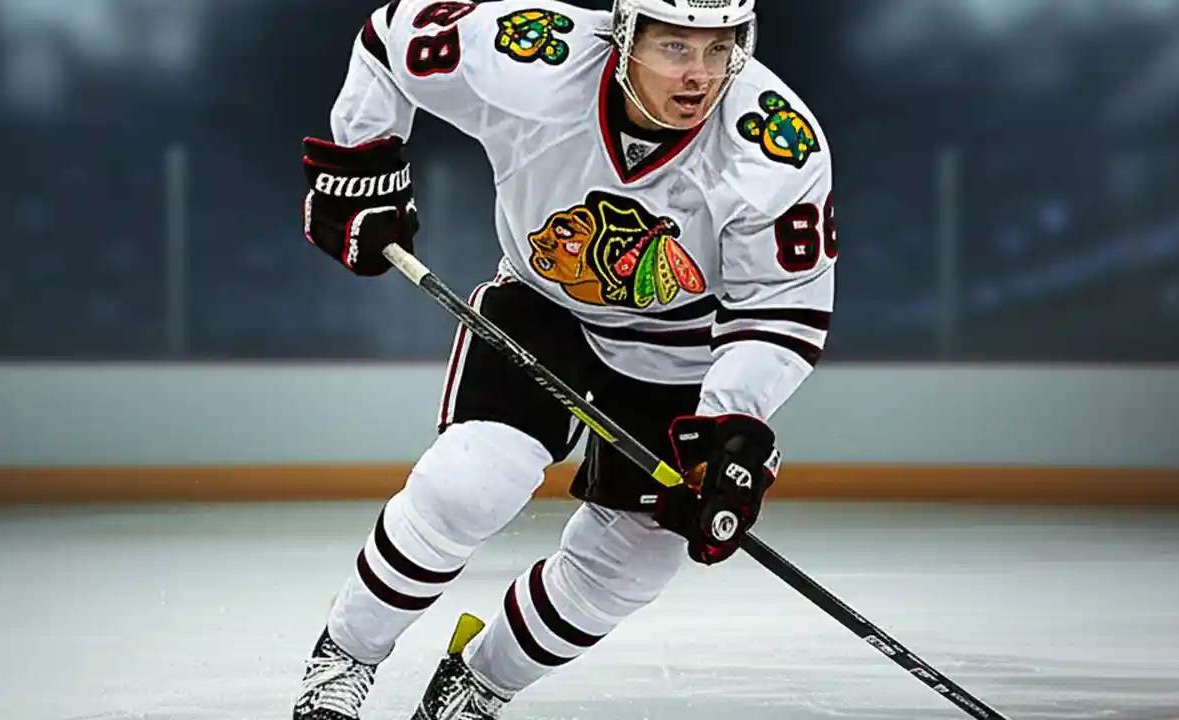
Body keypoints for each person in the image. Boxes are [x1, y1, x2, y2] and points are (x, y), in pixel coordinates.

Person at [294, 0, 836, 717]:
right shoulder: (533, 58)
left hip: (681, 354)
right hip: (545, 310)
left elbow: (780, 310)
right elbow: (392, 37)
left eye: (719, 48)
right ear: (624, 33)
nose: (699, 75)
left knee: (636, 561)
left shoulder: (777, 147)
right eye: (675, 47)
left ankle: (478, 683)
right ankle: (346, 658)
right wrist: (361, 163)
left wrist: (727, 426)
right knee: (469, 485)